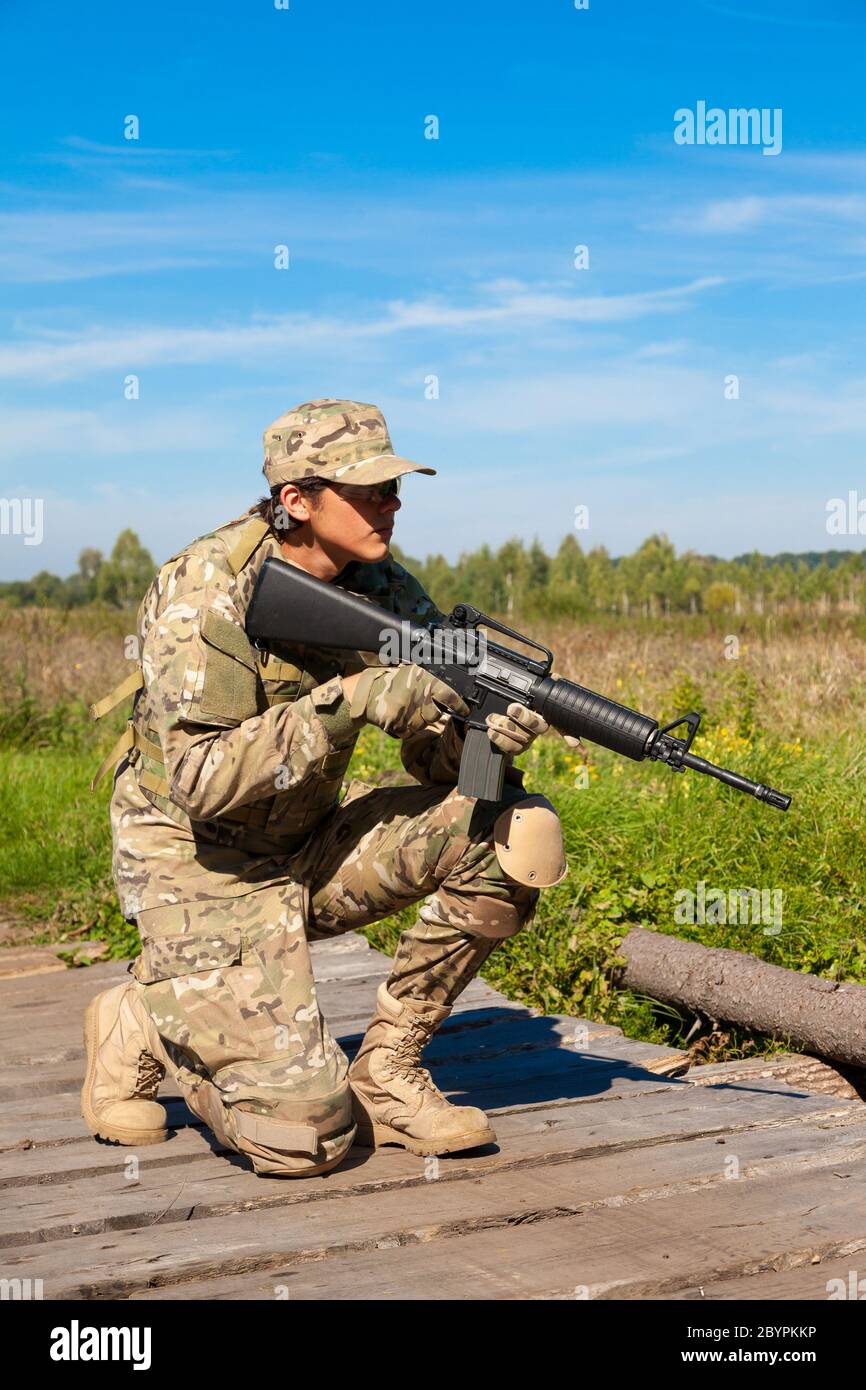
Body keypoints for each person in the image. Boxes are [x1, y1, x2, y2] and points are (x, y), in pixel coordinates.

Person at [81, 399, 567, 1178]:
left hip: (302, 845)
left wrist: (479, 736)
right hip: (197, 867)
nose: (392, 504)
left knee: (513, 828)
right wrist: (356, 700)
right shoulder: (205, 590)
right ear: (296, 501)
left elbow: (433, 763)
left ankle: (390, 1068)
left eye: (394, 488)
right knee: (306, 1140)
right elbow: (203, 782)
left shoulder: (386, 587)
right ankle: (143, 1016)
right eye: (369, 490)